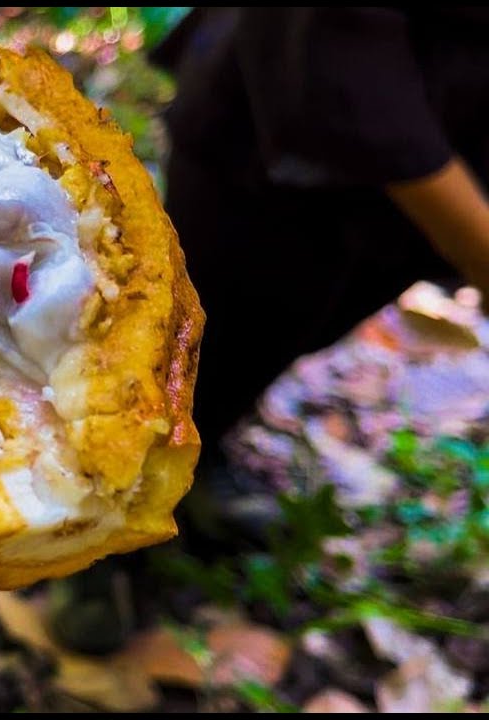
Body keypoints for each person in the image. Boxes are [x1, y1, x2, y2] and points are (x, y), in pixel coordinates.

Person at [149, 8, 489, 541]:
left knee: (269, 345)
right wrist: (479, 245)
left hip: (429, 189)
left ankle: (191, 458)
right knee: (181, 345)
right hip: (275, 143)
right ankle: (82, 540)